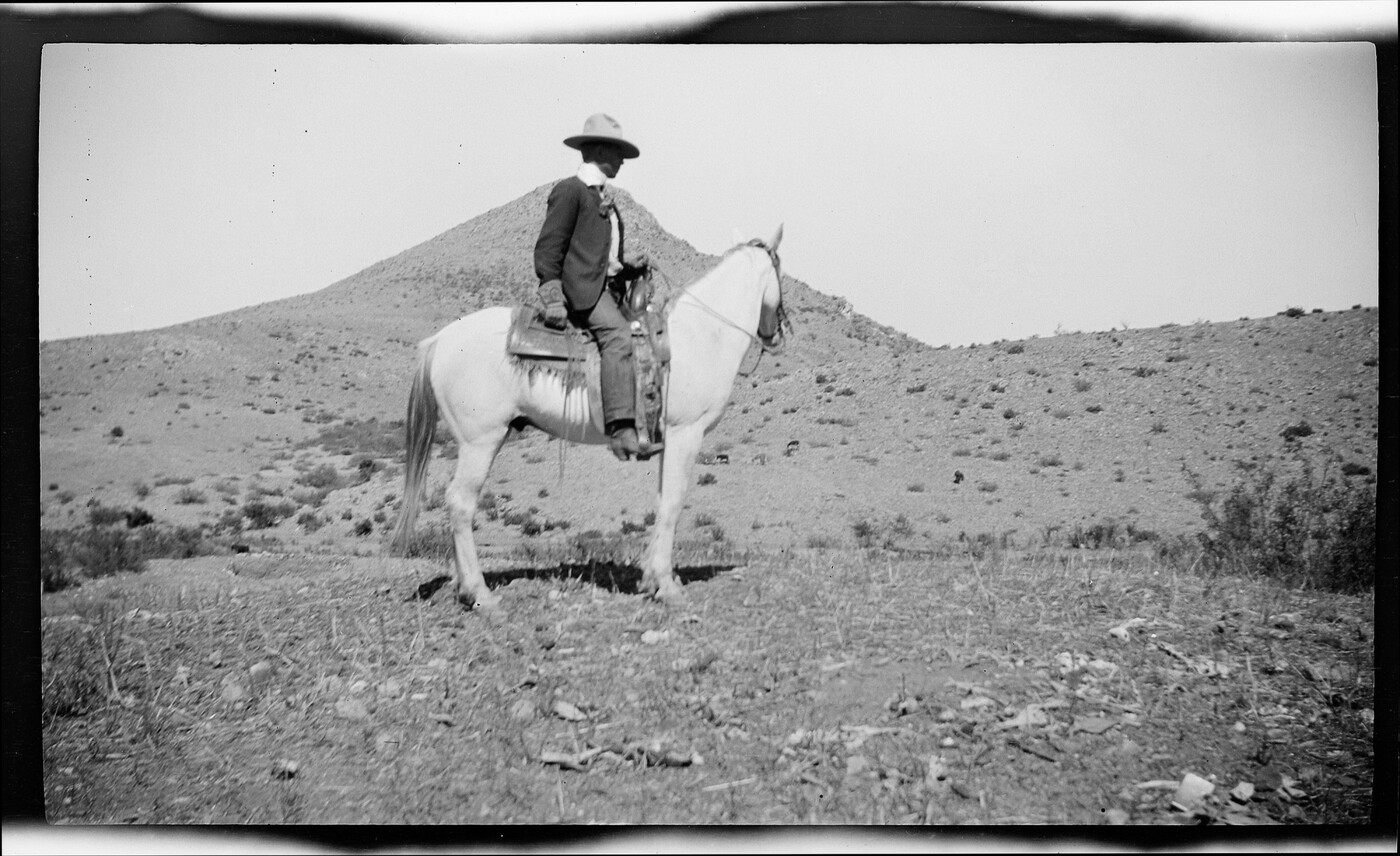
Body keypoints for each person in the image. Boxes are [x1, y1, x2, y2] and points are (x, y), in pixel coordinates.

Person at [534, 113, 661, 461]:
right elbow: (549, 248)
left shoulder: (602, 196)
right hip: (583, 292)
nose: (622, 160)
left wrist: (626, 264)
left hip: (602, 286)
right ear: (601, 150)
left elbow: (600, 255)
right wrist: (552, 293)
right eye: (618, 152)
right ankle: (621, 430)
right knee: (618, 336)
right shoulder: (570, 191)